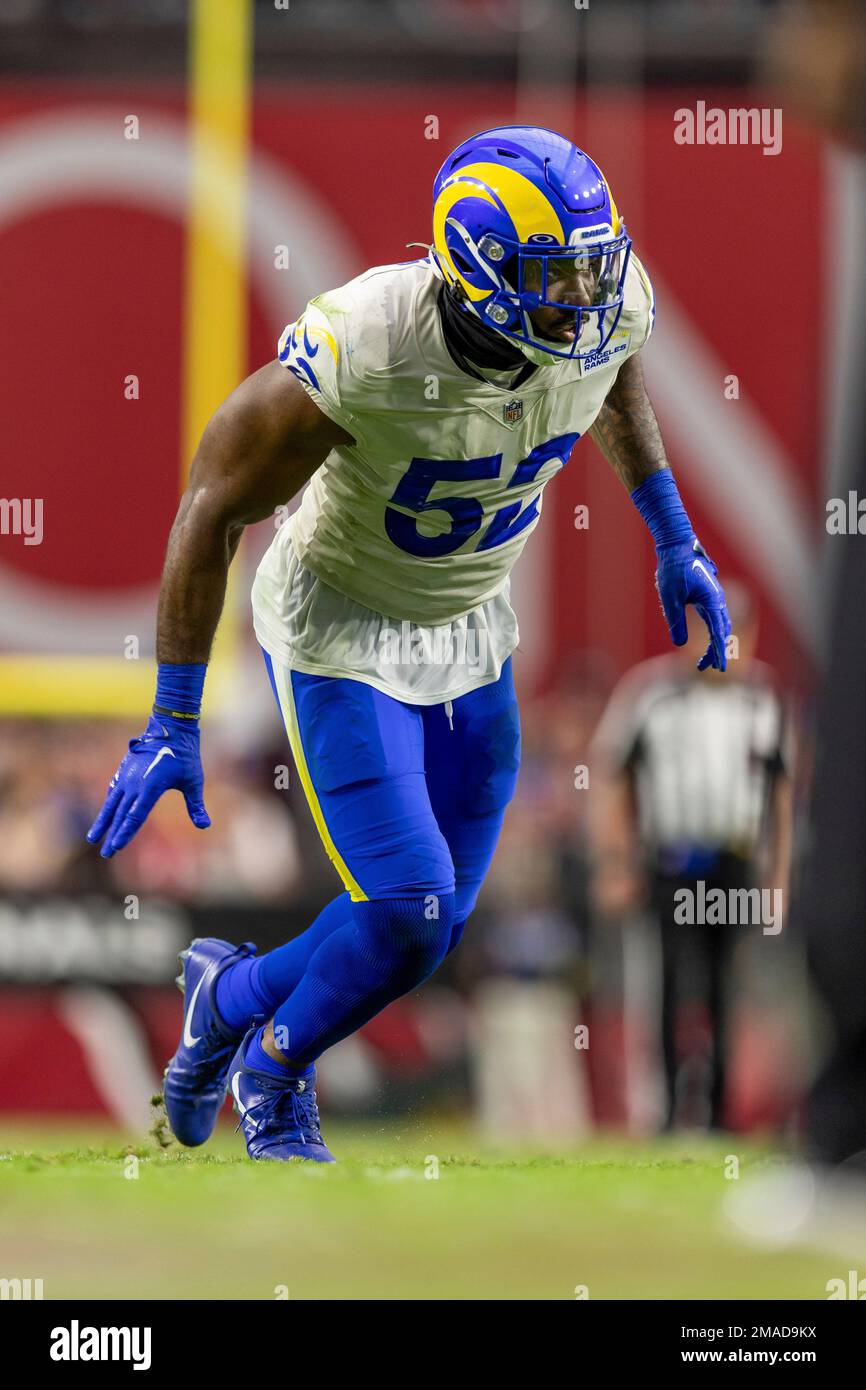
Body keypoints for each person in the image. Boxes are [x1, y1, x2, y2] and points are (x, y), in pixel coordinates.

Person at [86, 125, 730, 1162]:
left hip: (472, 618)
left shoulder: (605, 311)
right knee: (407, 910)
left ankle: (228, 992)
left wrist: (671, 529)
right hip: (339, 619)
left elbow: (609, 372)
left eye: (589, 266)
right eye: (554, 272)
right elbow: (209, 507)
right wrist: (171, 712)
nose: (585, 293)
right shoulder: (366, 344)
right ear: (476, 266)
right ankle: (274, 1073)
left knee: (422, 933)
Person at [590, 584, 792, 1129]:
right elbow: (613, 781)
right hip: (672, 862)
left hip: (735, 860)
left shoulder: (763, 700)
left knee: (728, 986)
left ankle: (722, 1113)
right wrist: (617, 861)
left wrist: (779, 879)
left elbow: (781, 798)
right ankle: (665, 1113)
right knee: (666, 985)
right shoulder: (652, 695)